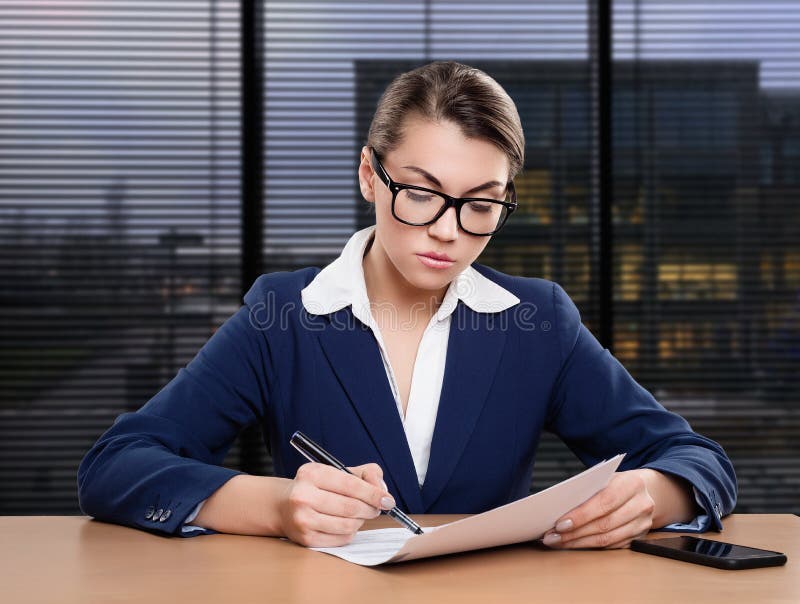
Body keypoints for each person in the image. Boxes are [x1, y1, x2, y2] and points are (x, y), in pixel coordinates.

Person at [78, 60, 736, 550]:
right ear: (370, 174)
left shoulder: (538, 321)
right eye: (421, 193)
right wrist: (275, 506)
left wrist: (650, 494)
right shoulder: (282, 315)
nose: (449, 231)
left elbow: (696, 459)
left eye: (482, 204)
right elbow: (115, 466)